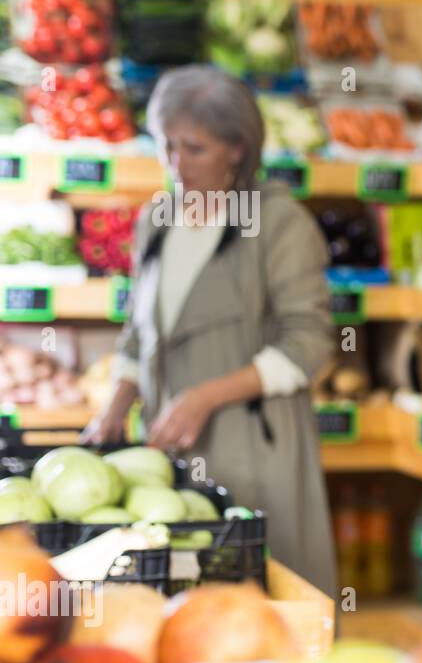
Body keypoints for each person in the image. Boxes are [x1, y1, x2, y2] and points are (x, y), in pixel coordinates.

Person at [84, 65, 337, 595]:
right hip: (169, 450)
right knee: (183, 597)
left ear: (238, 150)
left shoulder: (278, 224)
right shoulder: (158, 220)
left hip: (253, 446)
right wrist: (115, 404)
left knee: (261, 595)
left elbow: (308, 344)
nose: (177, 165)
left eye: (195, 149)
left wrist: (204, 397)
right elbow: (138, 331)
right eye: (166, 146)